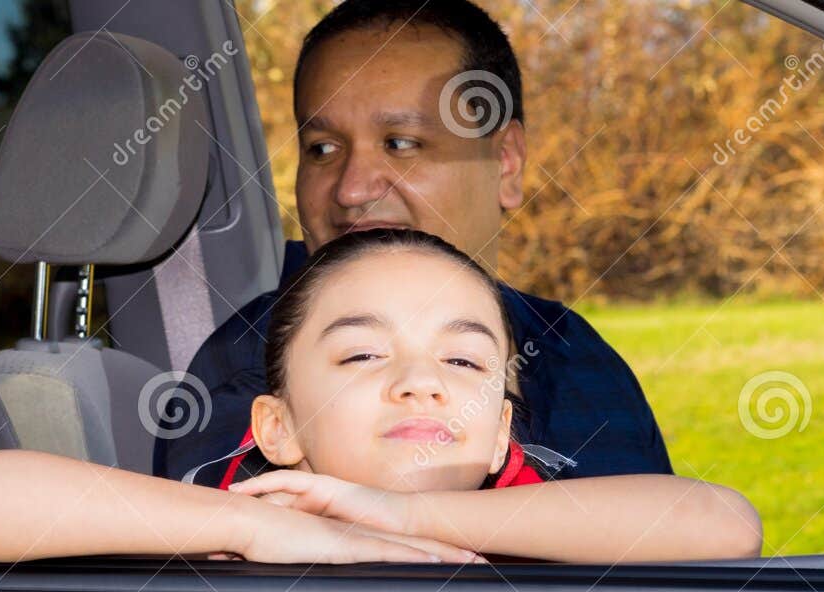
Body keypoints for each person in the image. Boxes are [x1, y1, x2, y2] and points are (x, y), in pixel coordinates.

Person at [0, 229, 760, 566]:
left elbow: (724, 524)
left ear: (504, 433)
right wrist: (258, 528)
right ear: (274, 427)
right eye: (361, 352)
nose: (419, 379)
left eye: (464, 364)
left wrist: (410, 521)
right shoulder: (242, 511)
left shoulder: (529, 509)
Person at [155, 0, 671, 487]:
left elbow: (671, 552)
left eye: (401, 144)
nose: (352, 189)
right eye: (323, 148)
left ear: (506, 163)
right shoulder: (258, 361)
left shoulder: (575, 353)